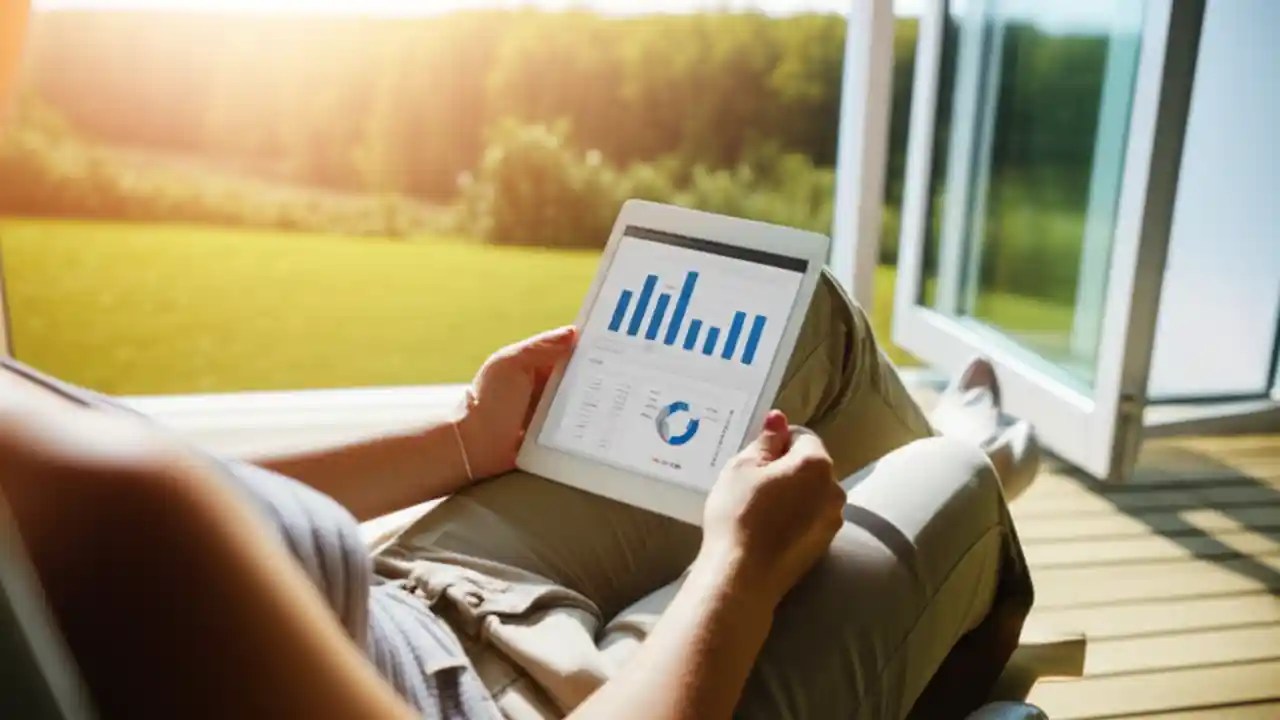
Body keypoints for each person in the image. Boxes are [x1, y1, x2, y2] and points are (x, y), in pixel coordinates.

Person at [0, 3, 1034, 718]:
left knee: (794, 311)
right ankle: (947, 481)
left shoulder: (104, 498)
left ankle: (905, 502)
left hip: (410, 589)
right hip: (526, 703)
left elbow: (193, 507)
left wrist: (462, 439)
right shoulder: (116, 513)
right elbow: (134, 535)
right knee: (959, 488)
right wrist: (736, 571)